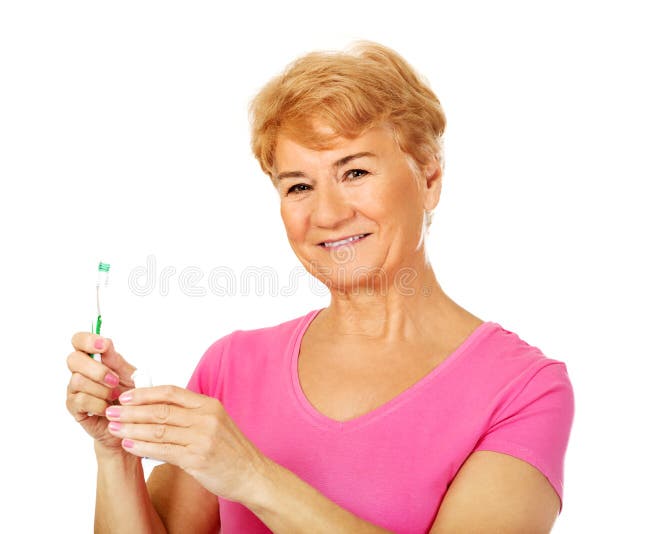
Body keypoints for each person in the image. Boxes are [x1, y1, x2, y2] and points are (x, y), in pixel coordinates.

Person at [65, 40, 574, 533]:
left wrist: (252, 476)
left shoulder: (523, 390)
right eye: (299, 186)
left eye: (354, 171)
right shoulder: (231, 367)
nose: (328, 214)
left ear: (430, 179)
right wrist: (115, 453)